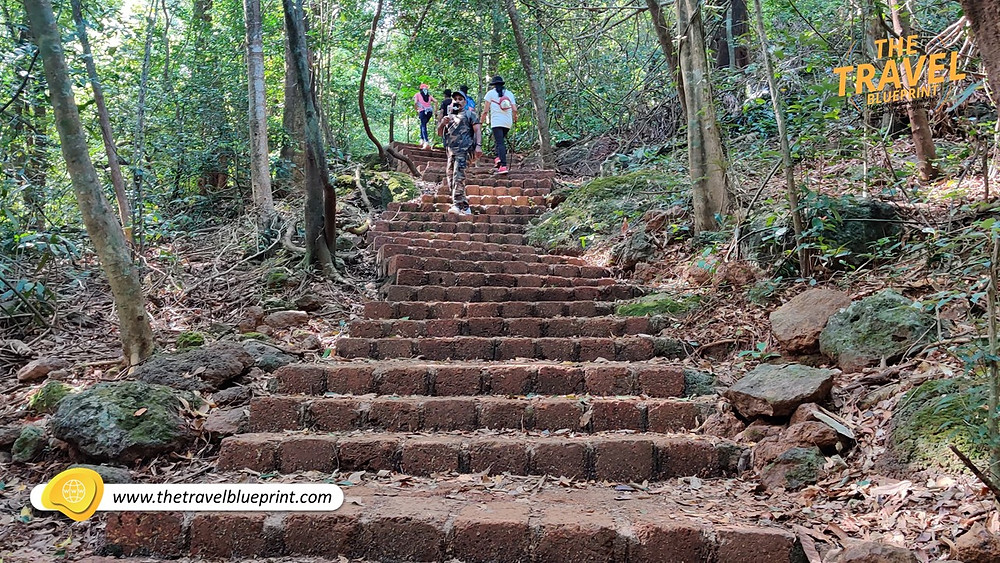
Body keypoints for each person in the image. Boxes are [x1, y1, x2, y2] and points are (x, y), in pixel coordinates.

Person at [437, 90, 482, 214]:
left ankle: (456, 205)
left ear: (465, 102)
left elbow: (477, 130)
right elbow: (439, 133)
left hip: (465, 150)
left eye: (460, 99)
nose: (457, 101)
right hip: (451, 151)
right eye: (455, 99)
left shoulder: (470, 114)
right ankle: (465, 206)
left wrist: (478, 146)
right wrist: (442, 123)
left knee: (458, 176)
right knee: (450, 177)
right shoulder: (449, 117)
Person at [481, 75, 516, 175]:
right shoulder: (509, 94)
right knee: (499, 141)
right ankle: (498, 158)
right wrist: (515, 117)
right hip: (507, 122)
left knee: (500, 142)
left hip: (497, 122)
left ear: (494, 85)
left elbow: (485, 111)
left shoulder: (490, 94)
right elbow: (515, 109)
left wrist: (480, 122)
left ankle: (503, 166)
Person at [413, 83, 436, 149]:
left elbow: (415, 103)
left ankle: (426, 141)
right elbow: (436, 101)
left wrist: (417, 109)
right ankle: (422, 140)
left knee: (423, 125)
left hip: (422, 111)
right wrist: (435, 111)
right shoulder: (429, 96)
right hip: (429, 112)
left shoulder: (417, 94)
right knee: (423, 124)